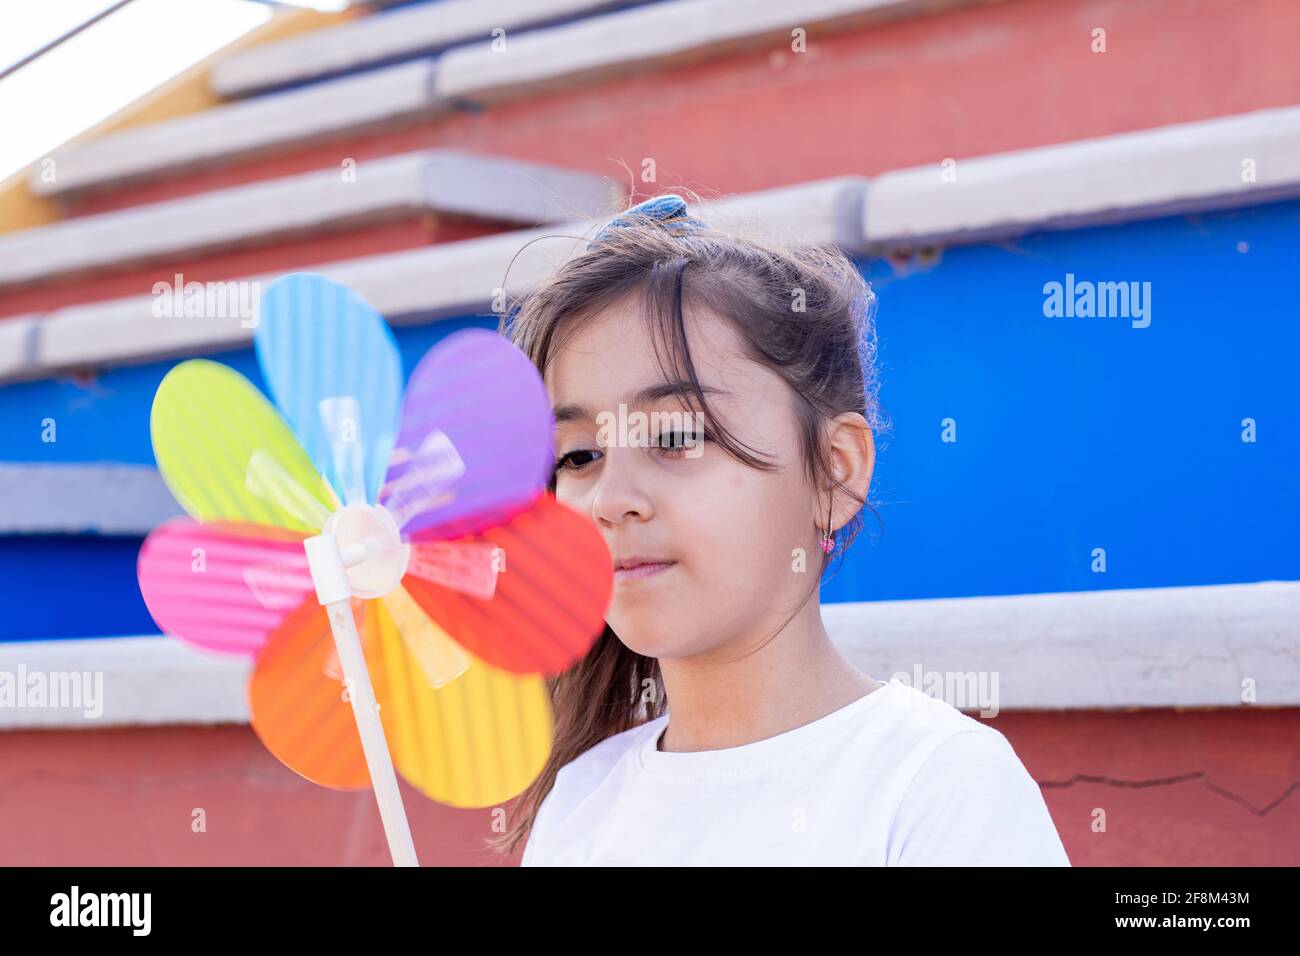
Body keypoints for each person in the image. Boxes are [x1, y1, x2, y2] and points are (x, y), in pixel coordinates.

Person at [492, 193, 1070, 866]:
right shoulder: (582, 800)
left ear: (834, 471)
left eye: (677, 436)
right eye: (579, 456)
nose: (611, 500)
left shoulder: (936, 786)